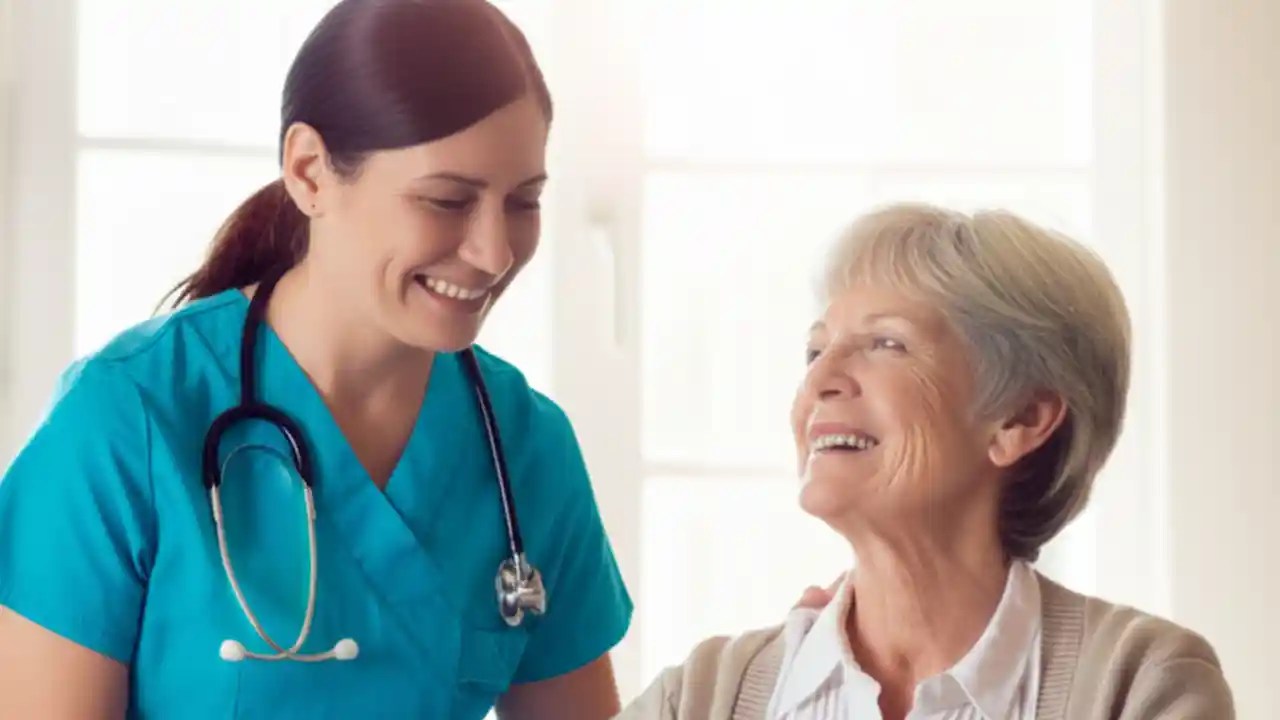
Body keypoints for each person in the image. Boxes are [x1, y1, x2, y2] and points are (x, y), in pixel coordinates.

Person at [0, 1, 632, 718]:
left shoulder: (525, 448)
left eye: (523, 202)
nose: (497, 252)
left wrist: (788, 653)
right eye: (447, 200)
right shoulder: (125, 420)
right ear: (309, 171)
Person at [617, 203, 1234, 720]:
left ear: (1020, 417)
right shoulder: (699, 697)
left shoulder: (1141, 685)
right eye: (815, 349)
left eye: (887, 343)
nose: (821, 380)